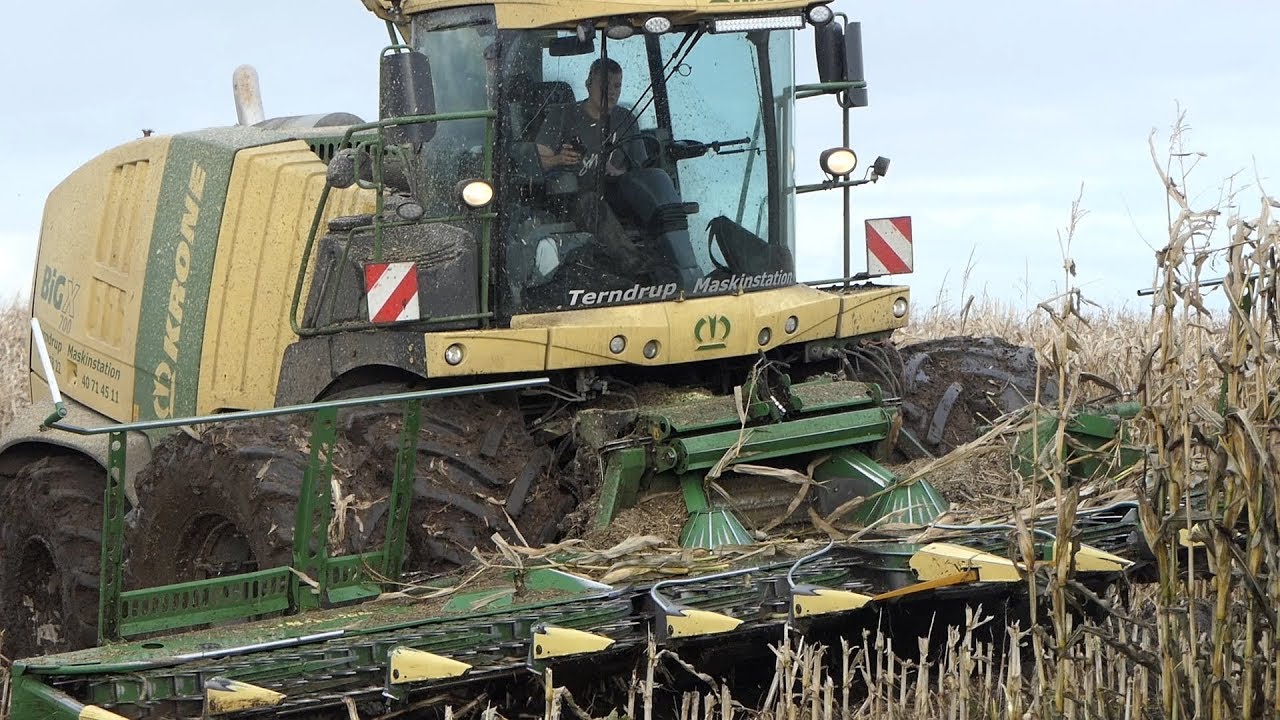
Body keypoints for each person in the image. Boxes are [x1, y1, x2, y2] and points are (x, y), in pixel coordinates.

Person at [534, 58, 647, 274]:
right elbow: (536, 161)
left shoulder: (626, 119)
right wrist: (558, 159)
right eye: (604, 85)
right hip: (572, 201)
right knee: (591, 203)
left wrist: (620, 173)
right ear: (588, 85)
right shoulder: (563, 115)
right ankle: (636, 267)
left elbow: (642, 171)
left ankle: (674, 264)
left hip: (615, 196)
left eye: (617, 86)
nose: (611, 92)